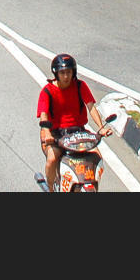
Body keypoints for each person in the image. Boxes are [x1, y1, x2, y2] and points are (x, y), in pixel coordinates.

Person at [36, 53, 111, 192]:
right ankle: (51, 188)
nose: (66, 76)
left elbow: (91, 107)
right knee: (52, 159)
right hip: (56, 134)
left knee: (97, 157)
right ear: (56, 74)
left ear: (73, 72)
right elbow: (43, 115)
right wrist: (47, 132)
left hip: (78, 133)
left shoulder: (80, 86)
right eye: (62, 73)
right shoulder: (47, 91)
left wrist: (101, 128)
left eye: (69, 72)